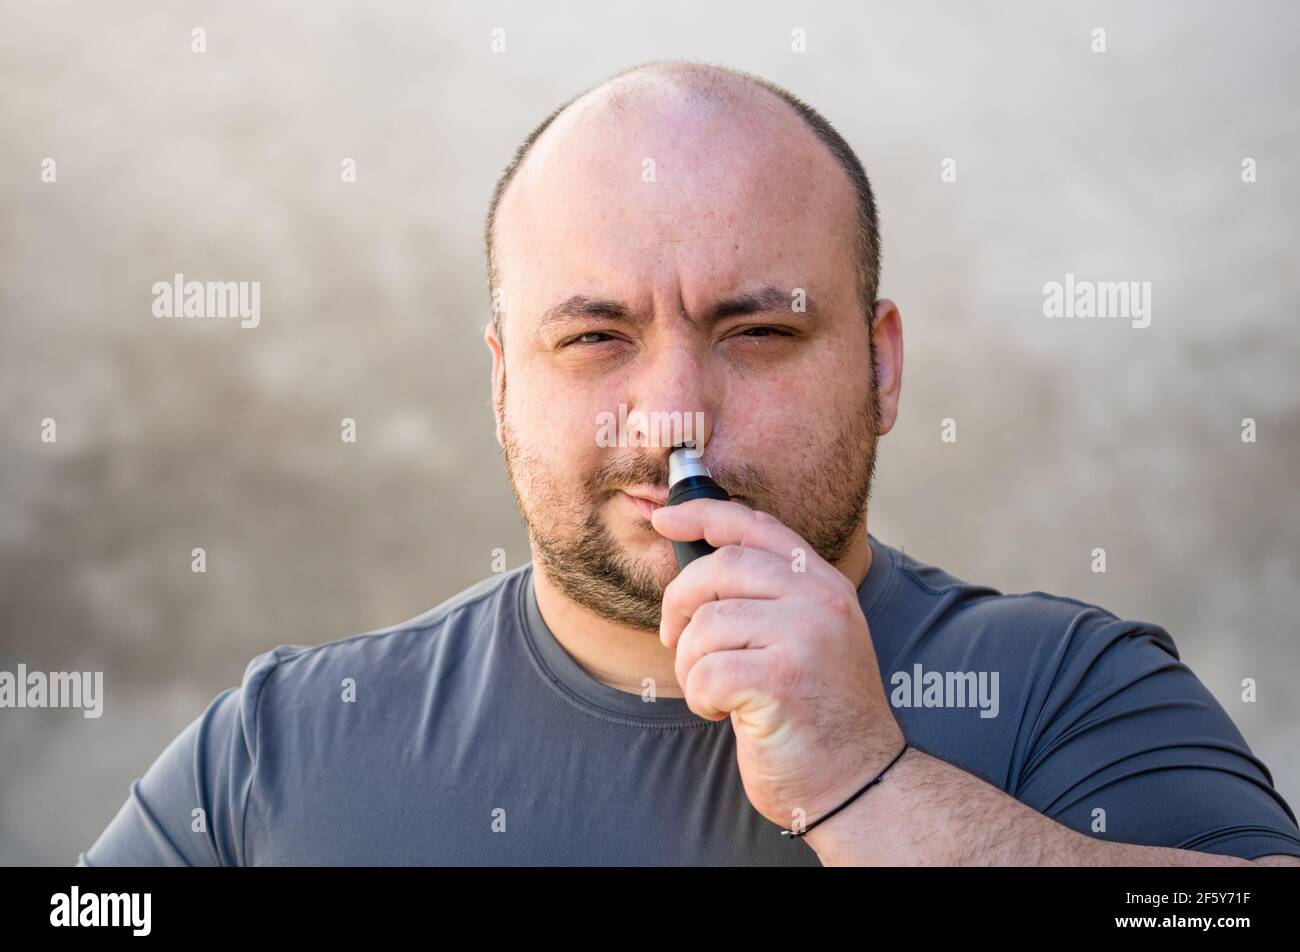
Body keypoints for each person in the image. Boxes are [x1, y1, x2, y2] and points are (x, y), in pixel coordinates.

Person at [79, 60, 1300, 866]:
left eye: (758, 331)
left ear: (879, 369)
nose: (672, 418)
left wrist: (868, 785)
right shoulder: (286, 743)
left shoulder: (1067, 687)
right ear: (504, 381)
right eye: (595, 336)